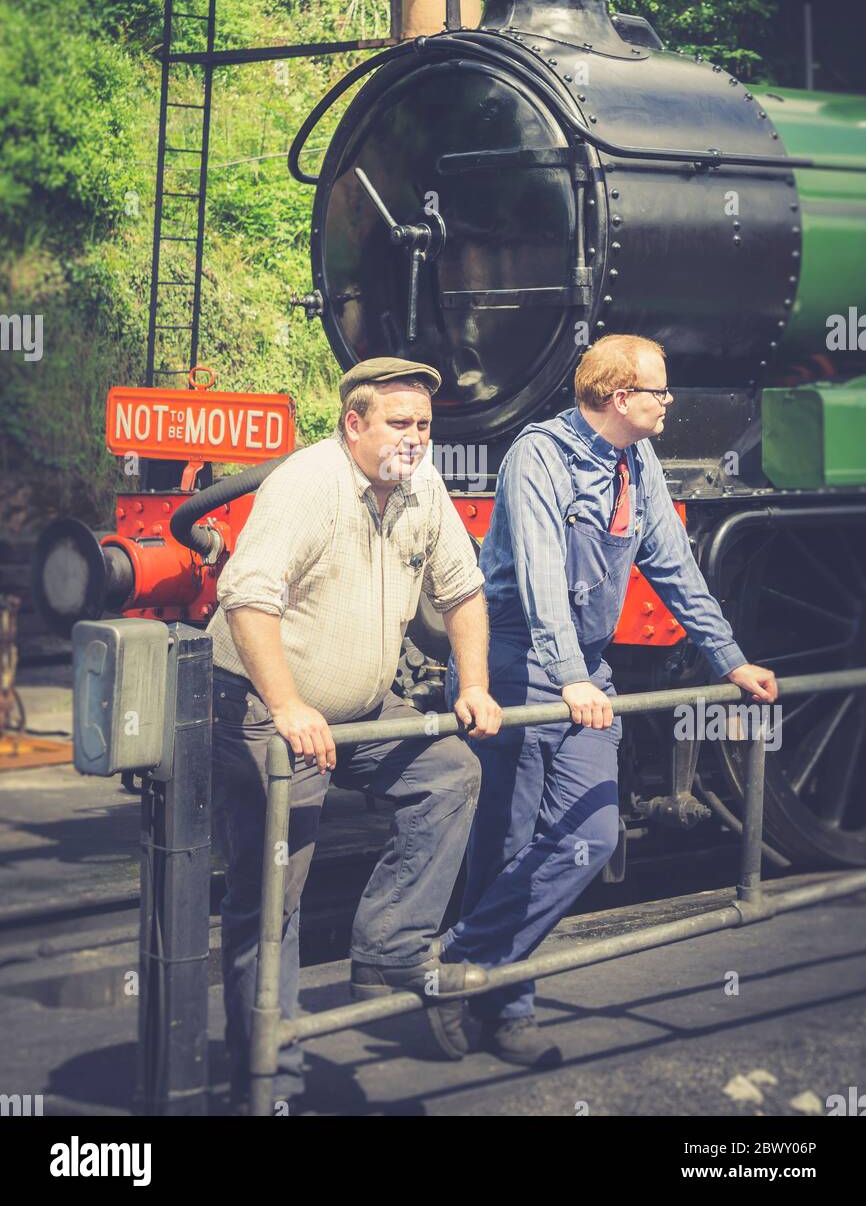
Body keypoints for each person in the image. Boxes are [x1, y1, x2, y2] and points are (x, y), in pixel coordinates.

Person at [440, 333, 778, 1067]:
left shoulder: (637, 461)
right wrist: (569, 677)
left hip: (581, 670)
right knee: (504, 841)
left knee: (590, 838)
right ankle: (507, 1011)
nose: (669, 401)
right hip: (518, 663)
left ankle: (457, 961)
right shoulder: (540, 456)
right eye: (659, 390)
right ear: (621, 398)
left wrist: (731, 659)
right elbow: (536, 577)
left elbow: (675, 567)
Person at [208, 357, 502, 1112]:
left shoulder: (421, 487)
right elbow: (246, 595)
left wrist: (473, 684)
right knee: (273, 889)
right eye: (399, 424)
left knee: (449, 773)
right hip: (263, 708)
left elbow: (463, 591)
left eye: (425, 428)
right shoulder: (307, 486)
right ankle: (271, 1079)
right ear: (353, 424)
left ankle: (389, 947)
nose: (415, 440)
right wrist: (287, 708)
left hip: (362, 712)